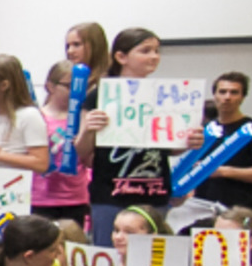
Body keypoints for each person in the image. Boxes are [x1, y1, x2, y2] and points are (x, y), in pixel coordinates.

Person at [76, 27, 206, 244]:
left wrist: (189, 141)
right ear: (121, 57)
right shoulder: (100, 95)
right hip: (110, 195)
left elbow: (170, 148)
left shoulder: (164, 94)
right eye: (145, 51)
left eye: (156, 51)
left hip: (154, 194)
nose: (154, 57)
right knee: (110, 255)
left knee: (150, 259)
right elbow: (81, 151)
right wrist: (89, 129)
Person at [190, 73, 252, 214]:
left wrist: (223, 172)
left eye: (234, 92)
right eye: (222, 92)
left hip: (238, 209)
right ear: (215, 95)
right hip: (201, 205)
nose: (227, 97)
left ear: (243, 97)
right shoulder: (204, 130)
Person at [32, 61, 91, 226]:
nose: (75, 92)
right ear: (50, 86)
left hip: (73, 197)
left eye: (80, 87)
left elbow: (88, 158)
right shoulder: (36, 116)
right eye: (68, 86)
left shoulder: (84, 117)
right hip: (40, 197)